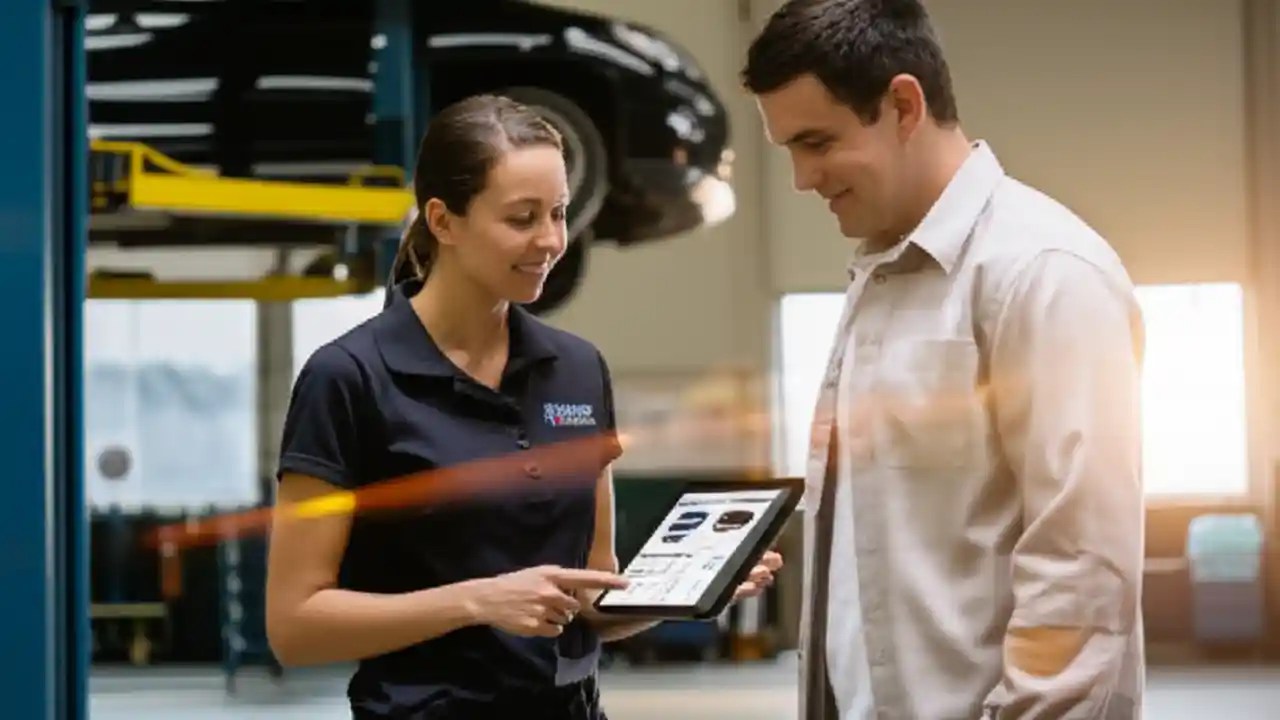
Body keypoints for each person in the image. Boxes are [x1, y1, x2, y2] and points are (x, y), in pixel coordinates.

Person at [264, 93, 783, 719]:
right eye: (522, 218)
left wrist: (694, 592)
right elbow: (294, 625)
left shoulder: (578, 370)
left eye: (559, 213)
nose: (551, 241)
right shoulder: (347, 378)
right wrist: (477, 602)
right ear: (443, 220)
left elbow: (591, 602)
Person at [741, 1, 1145, 718]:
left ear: (902, 105)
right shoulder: (884, 272)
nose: (803, 178)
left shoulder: (1042, 272)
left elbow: (1080, 572)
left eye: (817, 142)